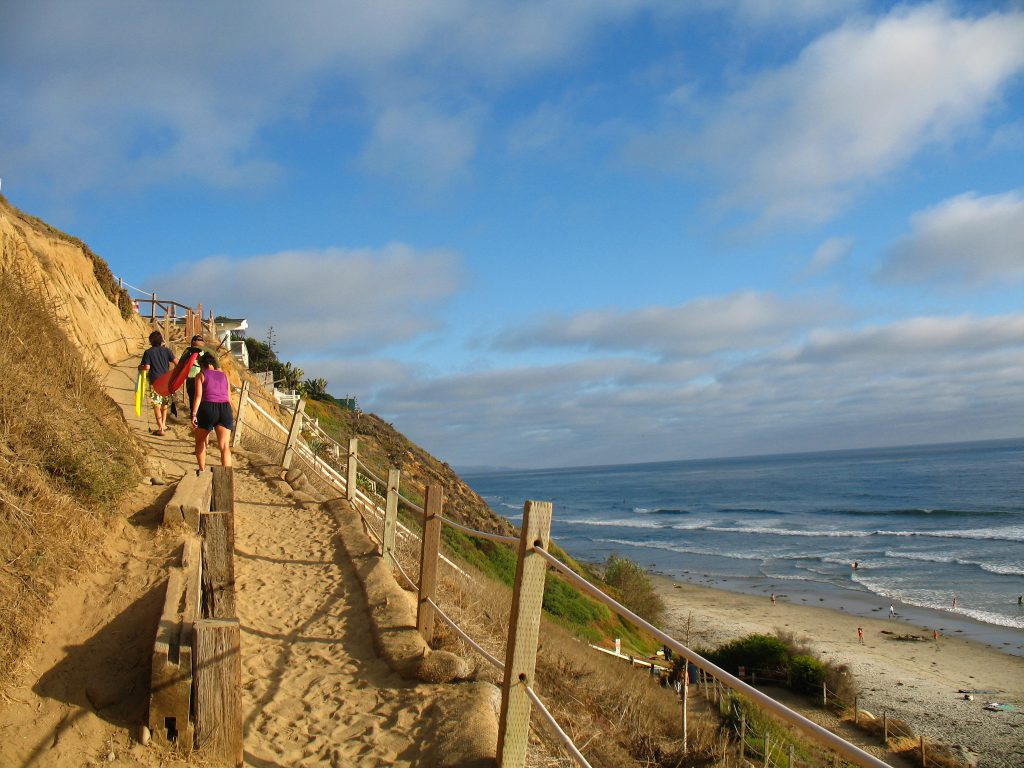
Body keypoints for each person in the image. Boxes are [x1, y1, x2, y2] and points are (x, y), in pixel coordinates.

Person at [191, 352, 233, 474]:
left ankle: (202, 470)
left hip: (208, 407)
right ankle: (226, 475)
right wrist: (229, 414)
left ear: (204, 365)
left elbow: (198, 396)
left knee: (199, 441)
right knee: (225, 446)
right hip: (225, 408)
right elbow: (229, 399)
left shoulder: (201, 375)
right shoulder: (224, 375)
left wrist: (194, 414)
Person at [139, 330, 176, 436]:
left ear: (151, 341)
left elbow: (146, 368)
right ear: (161, 341)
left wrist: (140, 367)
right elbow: (177, 363)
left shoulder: (148, 352)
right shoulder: (167, 351)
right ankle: (163, 424)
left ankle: (160, 428)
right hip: (167, 381)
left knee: (156, 404)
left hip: (155, 382)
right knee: (165, 404)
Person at [183, 334, 206, 415]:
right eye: (197, 339)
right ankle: (194, 417)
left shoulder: (205, 353)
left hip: (202, 379)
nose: (199, 341)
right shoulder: (188, 352)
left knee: (200, 400)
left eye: (200, 339)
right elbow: (181, 364)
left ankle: (197, 417)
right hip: (191, 379)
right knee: (193, 399)